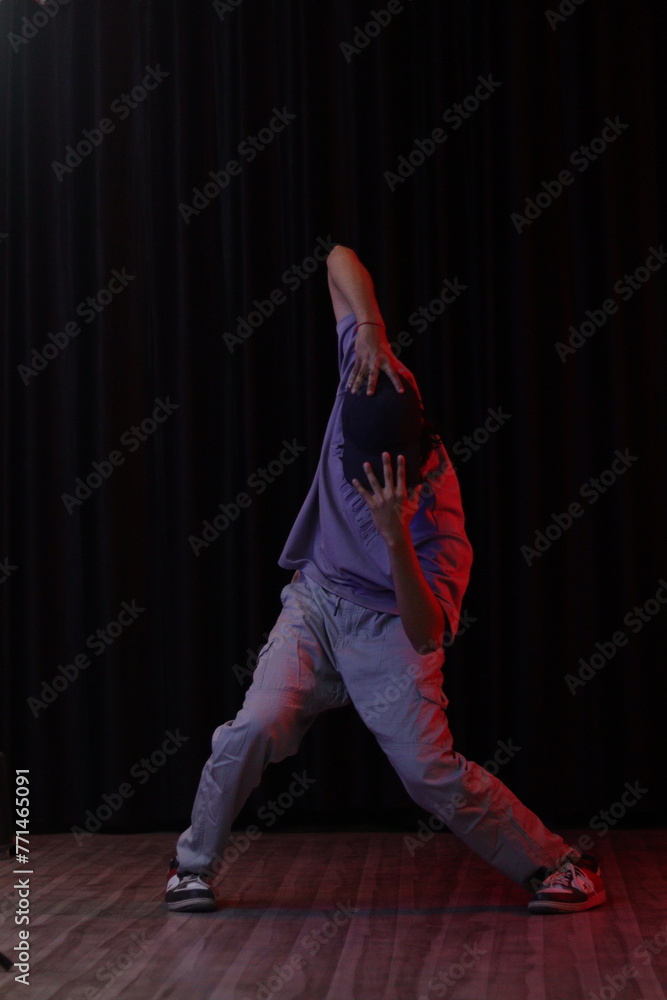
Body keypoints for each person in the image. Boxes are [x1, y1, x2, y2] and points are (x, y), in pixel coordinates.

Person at [165, 244, 606, 916]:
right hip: (315, 603)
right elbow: (338, 256)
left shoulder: (441, 521)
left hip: (389, 631)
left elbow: (426, 632)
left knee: (429, 772)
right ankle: (189, 867)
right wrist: (368, 326)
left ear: (412, 455)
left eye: (371, 466)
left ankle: (557, 865)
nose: (353, 471)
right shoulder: (371, 376)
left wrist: (397, 538)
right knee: (252, 726)